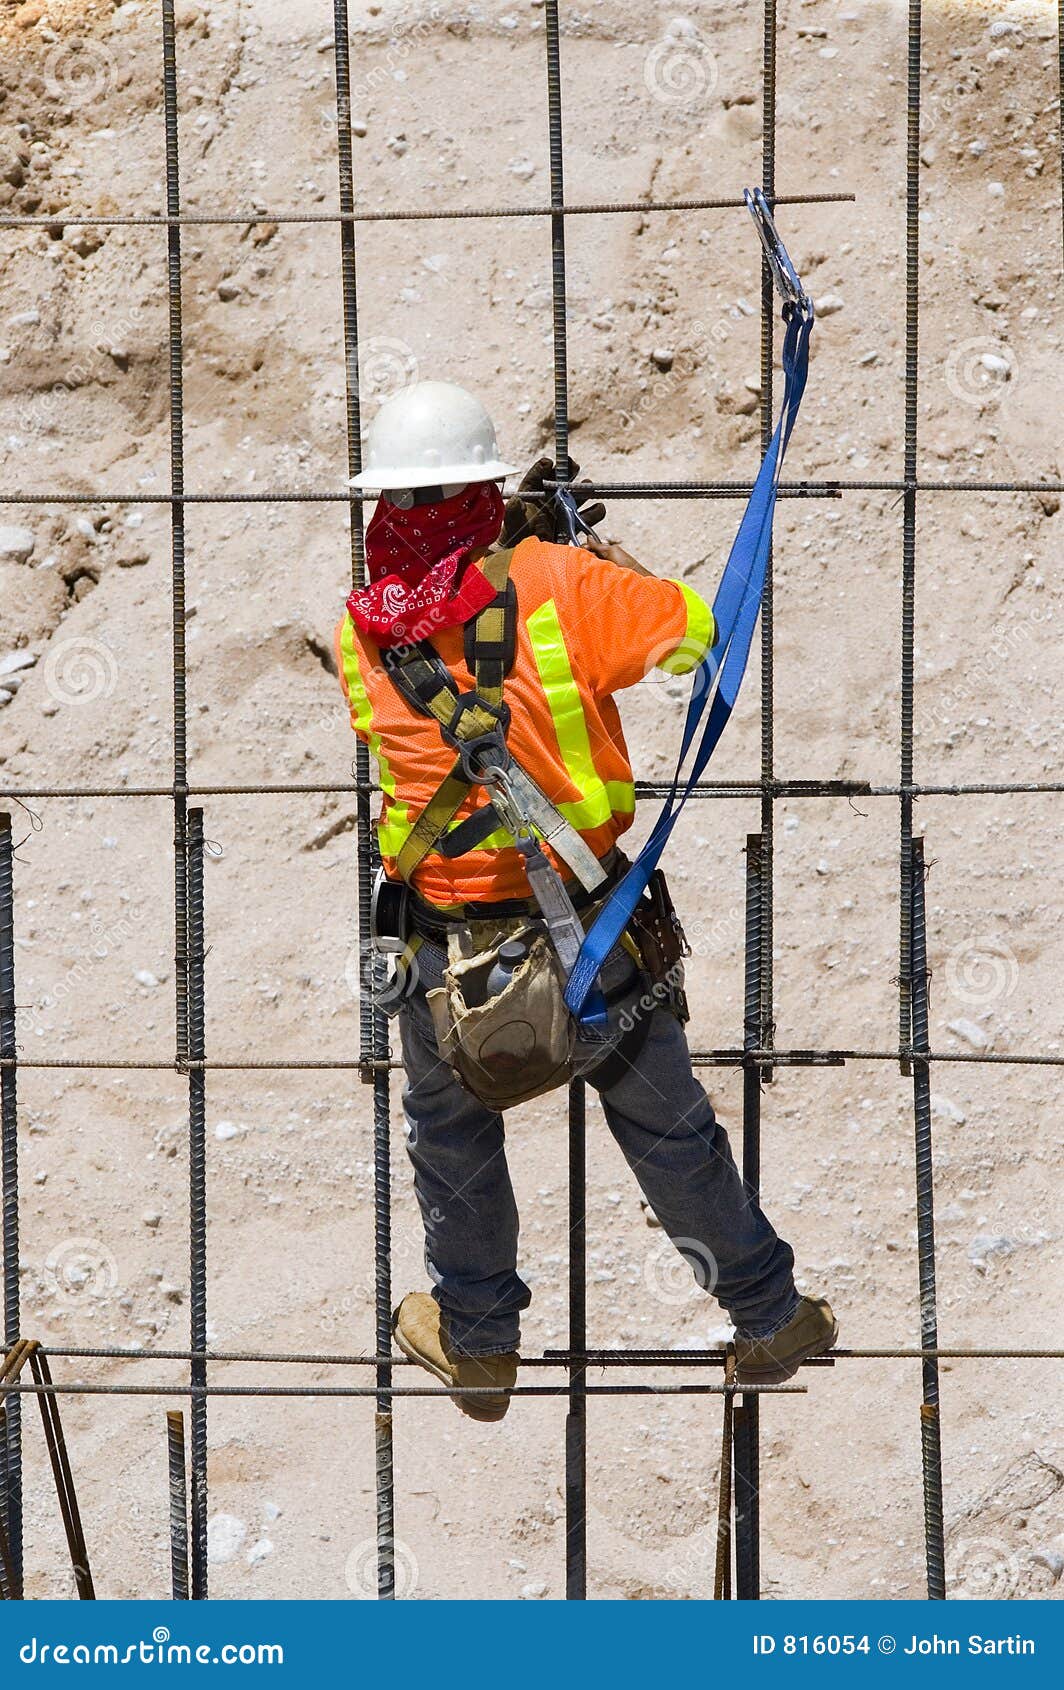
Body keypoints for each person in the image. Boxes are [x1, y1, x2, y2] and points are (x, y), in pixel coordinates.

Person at [335, 380, 836, 1422]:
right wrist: (590, 555)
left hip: (444, 943)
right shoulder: (564, 582)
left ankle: (477, 1342)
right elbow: (691, 636)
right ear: (484, 488)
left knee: (449, 1126)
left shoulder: (362, 629)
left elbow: (428, 703)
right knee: (666, 1130)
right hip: (588, 924)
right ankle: (766, 1312)